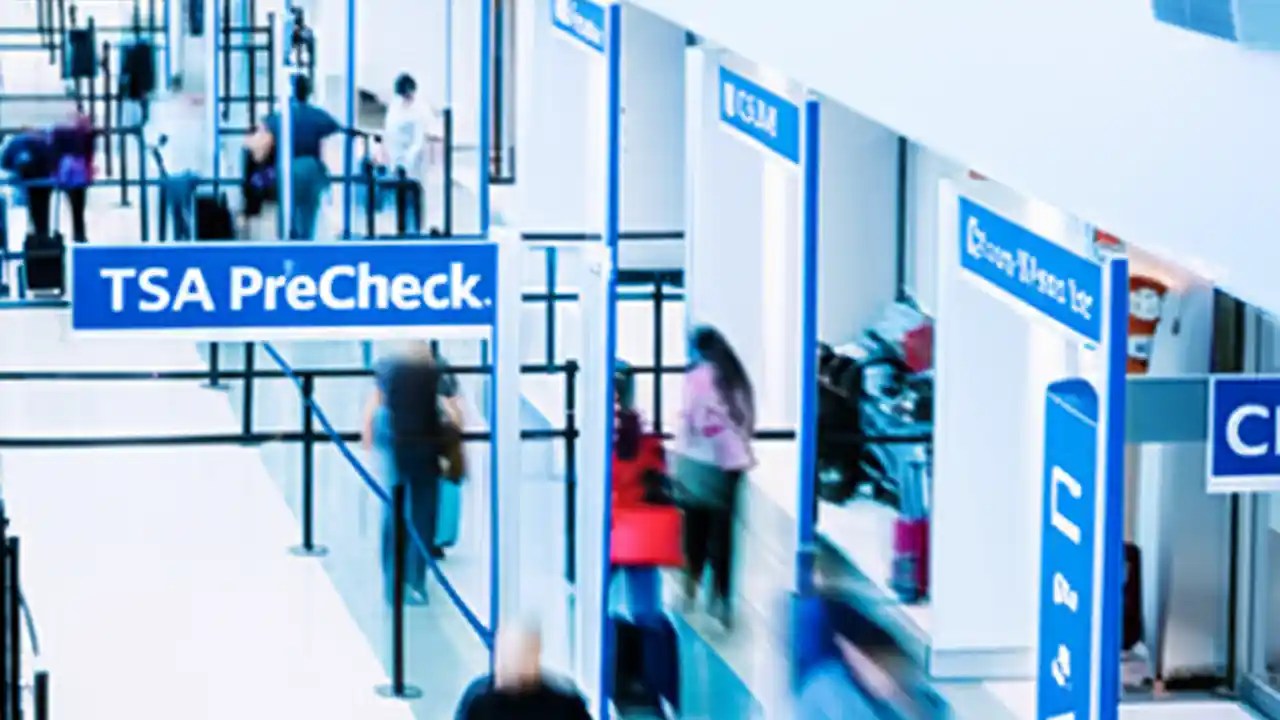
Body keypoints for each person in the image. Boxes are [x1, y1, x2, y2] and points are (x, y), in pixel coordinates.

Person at [362, 342, 461, 605]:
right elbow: (453, 413)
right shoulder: (437, 368)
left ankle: (393, 581)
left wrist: (368, 440)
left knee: (394, 516)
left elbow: (374, 406)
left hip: (397, 449)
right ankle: (415, 581)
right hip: (426, 451)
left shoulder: (389, 365)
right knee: (423, 517)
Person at [675, 325, 756, 629]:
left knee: (694, 529)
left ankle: (690, 588)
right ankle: (721, 600)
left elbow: (689, 421)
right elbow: (747, 421)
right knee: (723, 536)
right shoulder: (737, 377)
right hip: (731, 467)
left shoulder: (697, 378)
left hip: (698, 464)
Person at [246, 73, 340, 239]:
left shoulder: (277, 118)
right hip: (311, 168)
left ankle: (285, 237)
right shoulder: (317, 116)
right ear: (308, 92)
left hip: (285, 168)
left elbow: (258, 150)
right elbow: (334, 127)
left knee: (286, 211)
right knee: (308, 214)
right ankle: (305, 241)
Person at [455, 620, 591, 720]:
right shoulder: (478, 701)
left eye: (521, 655)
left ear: (535, 656)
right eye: (507, 655)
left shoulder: (563, 701)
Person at [379, 72, 437, 233]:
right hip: (397, 156)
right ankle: (401, 229)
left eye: (407, 93)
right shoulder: (395, 107)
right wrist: (393, 157)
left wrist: (409, 158)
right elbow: (389, 132)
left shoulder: (420, 108)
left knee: (415, 192)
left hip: (415, 159)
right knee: (400, 193)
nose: (405, 97)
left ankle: (417, 228)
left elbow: (420, 137)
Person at [0, 128, 56, 239]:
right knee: (42, 210)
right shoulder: (42, 143)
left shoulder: (15, 143)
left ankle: (33, 235)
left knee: (27, 209)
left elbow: (5, 163)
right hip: (43, 181)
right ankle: (42, 235)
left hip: (23, 181)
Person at [49, 111, 95, 243]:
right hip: (75, 171)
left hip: (72, 171)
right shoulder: (83, 136)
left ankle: (79, 234)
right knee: (78, 206)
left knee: (77, 206)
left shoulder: (65, 134)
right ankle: (79, 235)